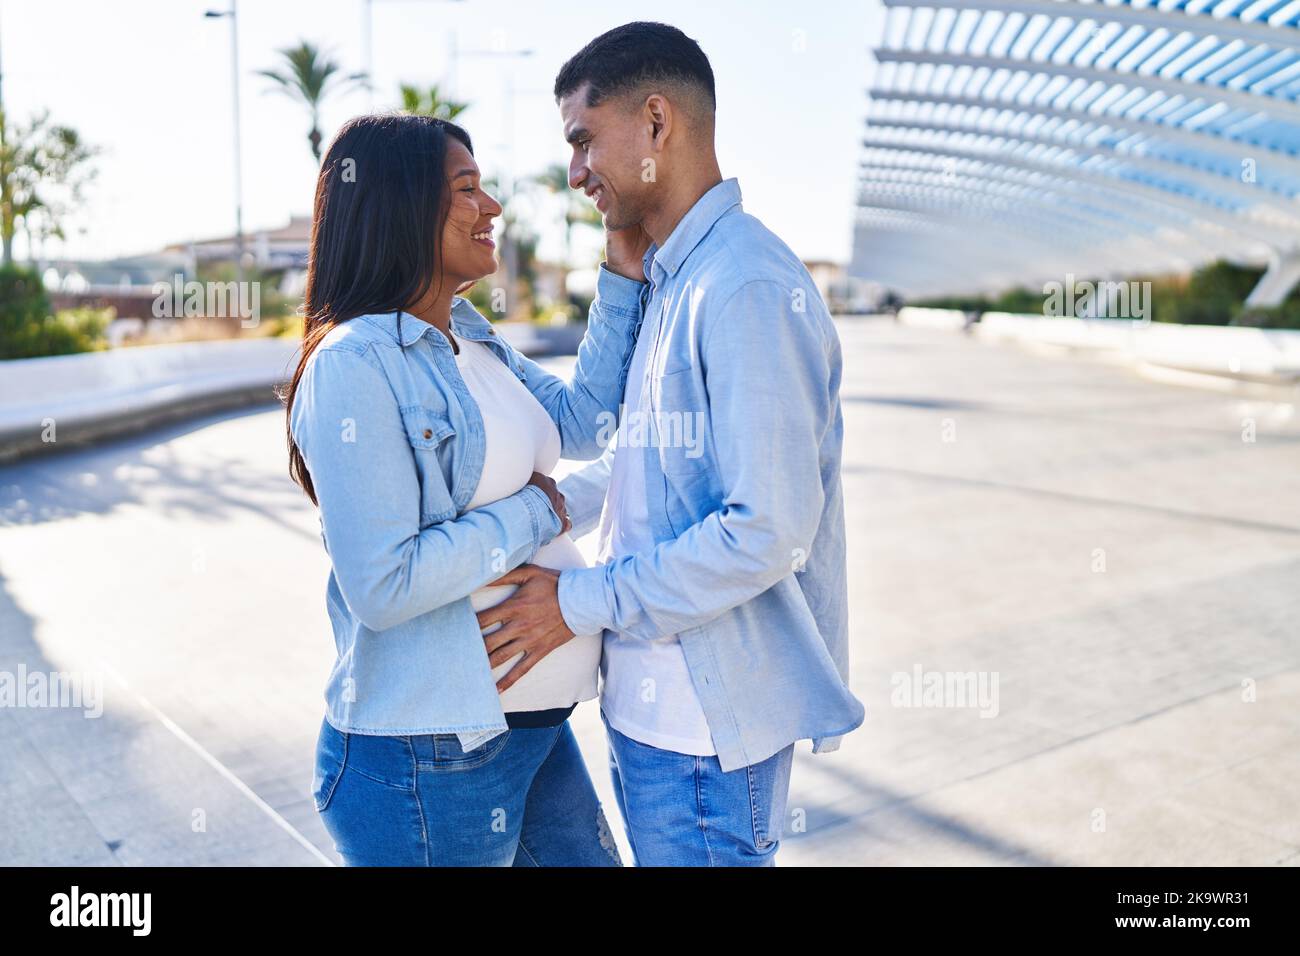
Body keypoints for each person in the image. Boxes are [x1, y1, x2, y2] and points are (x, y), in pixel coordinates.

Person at [479, 21, 866, 867]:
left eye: (583, 139)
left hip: (703, 741)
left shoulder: (744, 286)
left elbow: (766, 528)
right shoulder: (680, 277)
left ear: (657, 123)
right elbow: (650, 462)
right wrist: (543, 506)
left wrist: (573, 605)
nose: (574, 172)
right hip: (660, 719)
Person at [284, 113, 650, 866]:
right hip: (431, 757)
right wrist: (530, 513)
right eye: (468, 189)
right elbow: (383, 584)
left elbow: (589, 421)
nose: (492, 208)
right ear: (401, 205)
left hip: (532, 731)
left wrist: (620, 266)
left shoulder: (468, 334)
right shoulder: (354, 365)